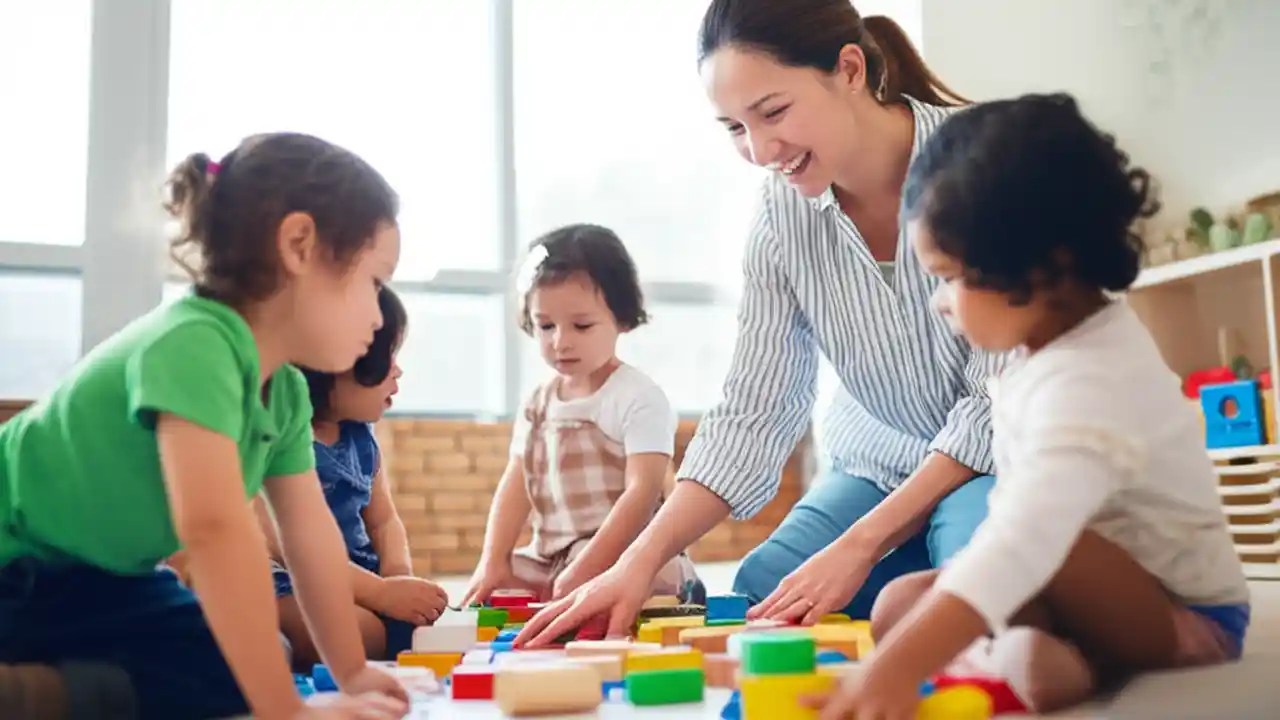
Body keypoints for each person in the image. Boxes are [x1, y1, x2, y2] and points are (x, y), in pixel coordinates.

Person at [518, 0, 1003, 646]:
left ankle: (932, 572)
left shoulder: (985, 164)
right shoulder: (782, 217)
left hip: (993, 461)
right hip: (876, 465)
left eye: (773, 113)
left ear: (850, 69)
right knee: (763, 591)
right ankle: (914, 576)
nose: (759, 150)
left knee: (981, 589)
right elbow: (755, 411)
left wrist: (858, 547)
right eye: (734, 128)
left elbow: (995, 401)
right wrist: (633, 562)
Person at [813, 93, 1251, 719]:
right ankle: (1054, 661)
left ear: (1048, 265)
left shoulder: (1091, 380)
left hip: (1182, 615)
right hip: (1073, 585)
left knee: (1031, 540)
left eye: (952, 278)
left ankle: (1081, 658)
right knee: (897, 606)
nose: (941, 303)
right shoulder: (1039, 348)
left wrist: (895, 670)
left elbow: (1026, 540)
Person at [0, 133, 411, 720]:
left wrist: (349, 672)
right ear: (298, 244)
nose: (378, 316)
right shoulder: (196, 342)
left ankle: (49, 692)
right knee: (254, 677)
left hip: (102, 579)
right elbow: (214, 527)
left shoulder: (287, 393)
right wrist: (287, 713)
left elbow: (309, 537)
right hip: (16, 561)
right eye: (374, 282)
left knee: (247, 658)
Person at [462, 224, 700, 606]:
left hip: (624, 552)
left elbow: (642, 493)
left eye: (582, 325)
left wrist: (587, 567)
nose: (561, 341)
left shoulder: (638, 396)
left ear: (622, 318)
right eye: (545, 326)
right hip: (552, 557)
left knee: (656, 579)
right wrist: (493, 561)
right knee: (494, 591)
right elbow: (516, 485)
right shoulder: (537, 404)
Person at [260, 285, 449, 670]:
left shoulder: (362, 438)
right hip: (294, 580)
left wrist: (398, 578)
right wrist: (378, 594)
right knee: (354, 633)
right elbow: (286, 543)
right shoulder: (281, 437)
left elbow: (383, 520)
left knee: (431, 624)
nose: (398, 370)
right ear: (330, 369)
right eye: (387, 357)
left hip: (362, 577)